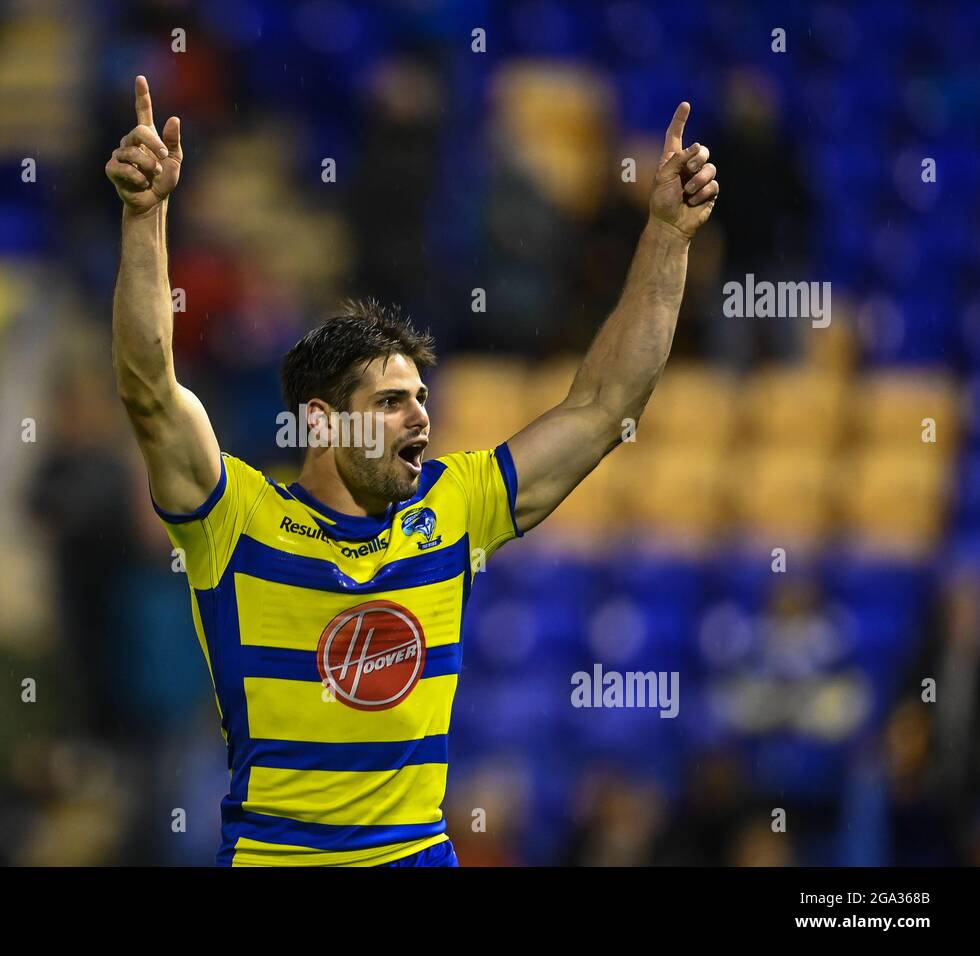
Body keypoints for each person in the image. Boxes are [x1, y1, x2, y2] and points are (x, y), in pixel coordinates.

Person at [105, 76, 719, 866]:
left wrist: (668, 233)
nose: (420, 417)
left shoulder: (454, 504)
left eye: (421, 398)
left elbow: (605, 406)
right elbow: (150, 392)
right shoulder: (236, 519)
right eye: (391, 401)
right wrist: (145, 216)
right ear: (323, 421)